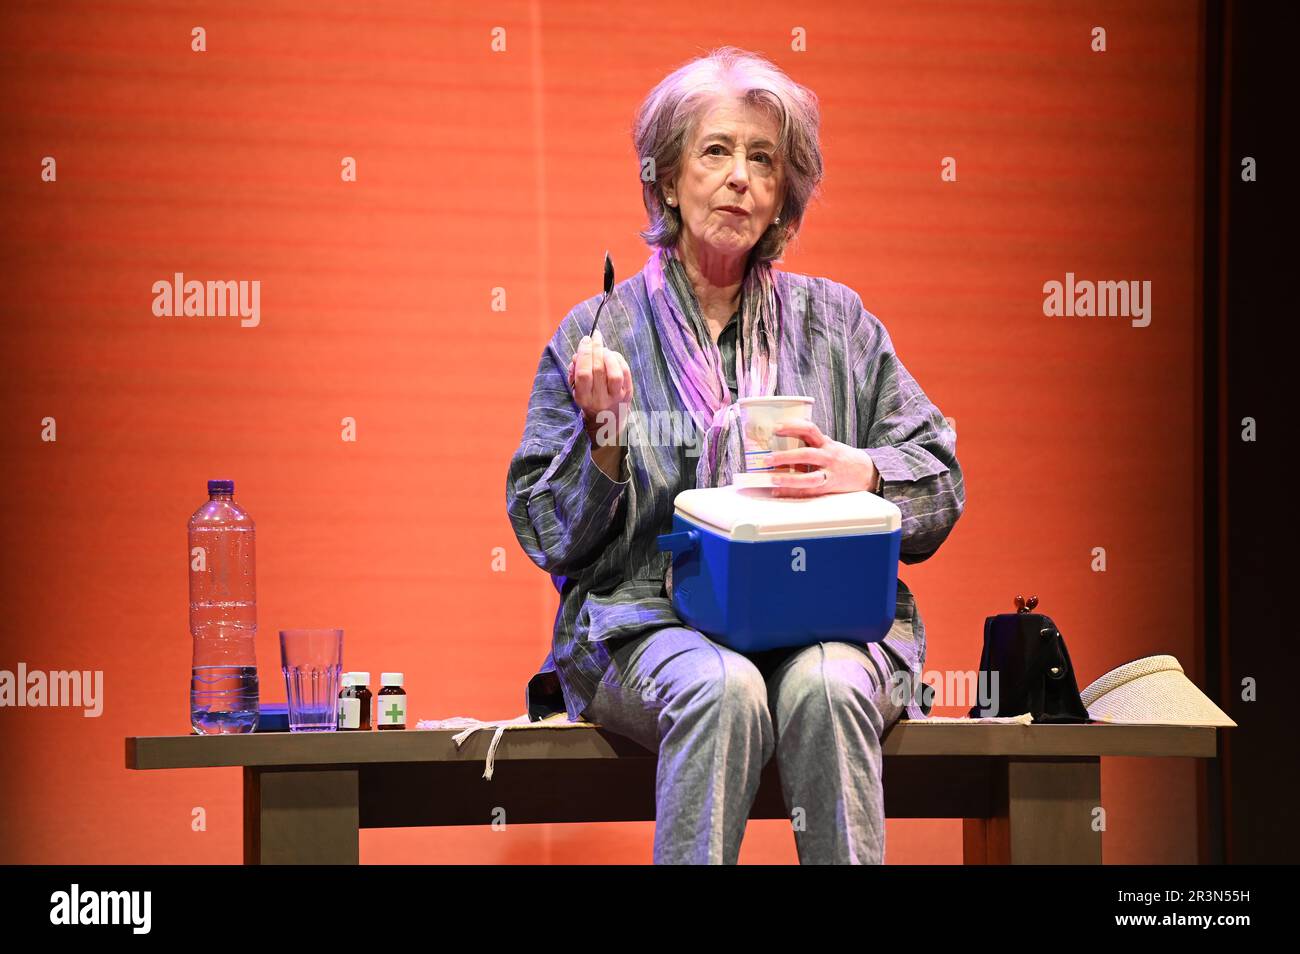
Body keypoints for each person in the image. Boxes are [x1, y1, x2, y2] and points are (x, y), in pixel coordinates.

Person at [506, 46, 965, 864]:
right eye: (716, 151)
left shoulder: (839, 323)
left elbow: (940, 480)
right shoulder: (596, 333)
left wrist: (863, 470)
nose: (740, 177)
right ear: (666, 180)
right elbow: (546, 535)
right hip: (646, 622)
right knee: (724, 690)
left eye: (764, 158)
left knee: (827, 689)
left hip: (823, 618)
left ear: (786, 190)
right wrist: (607, 437)